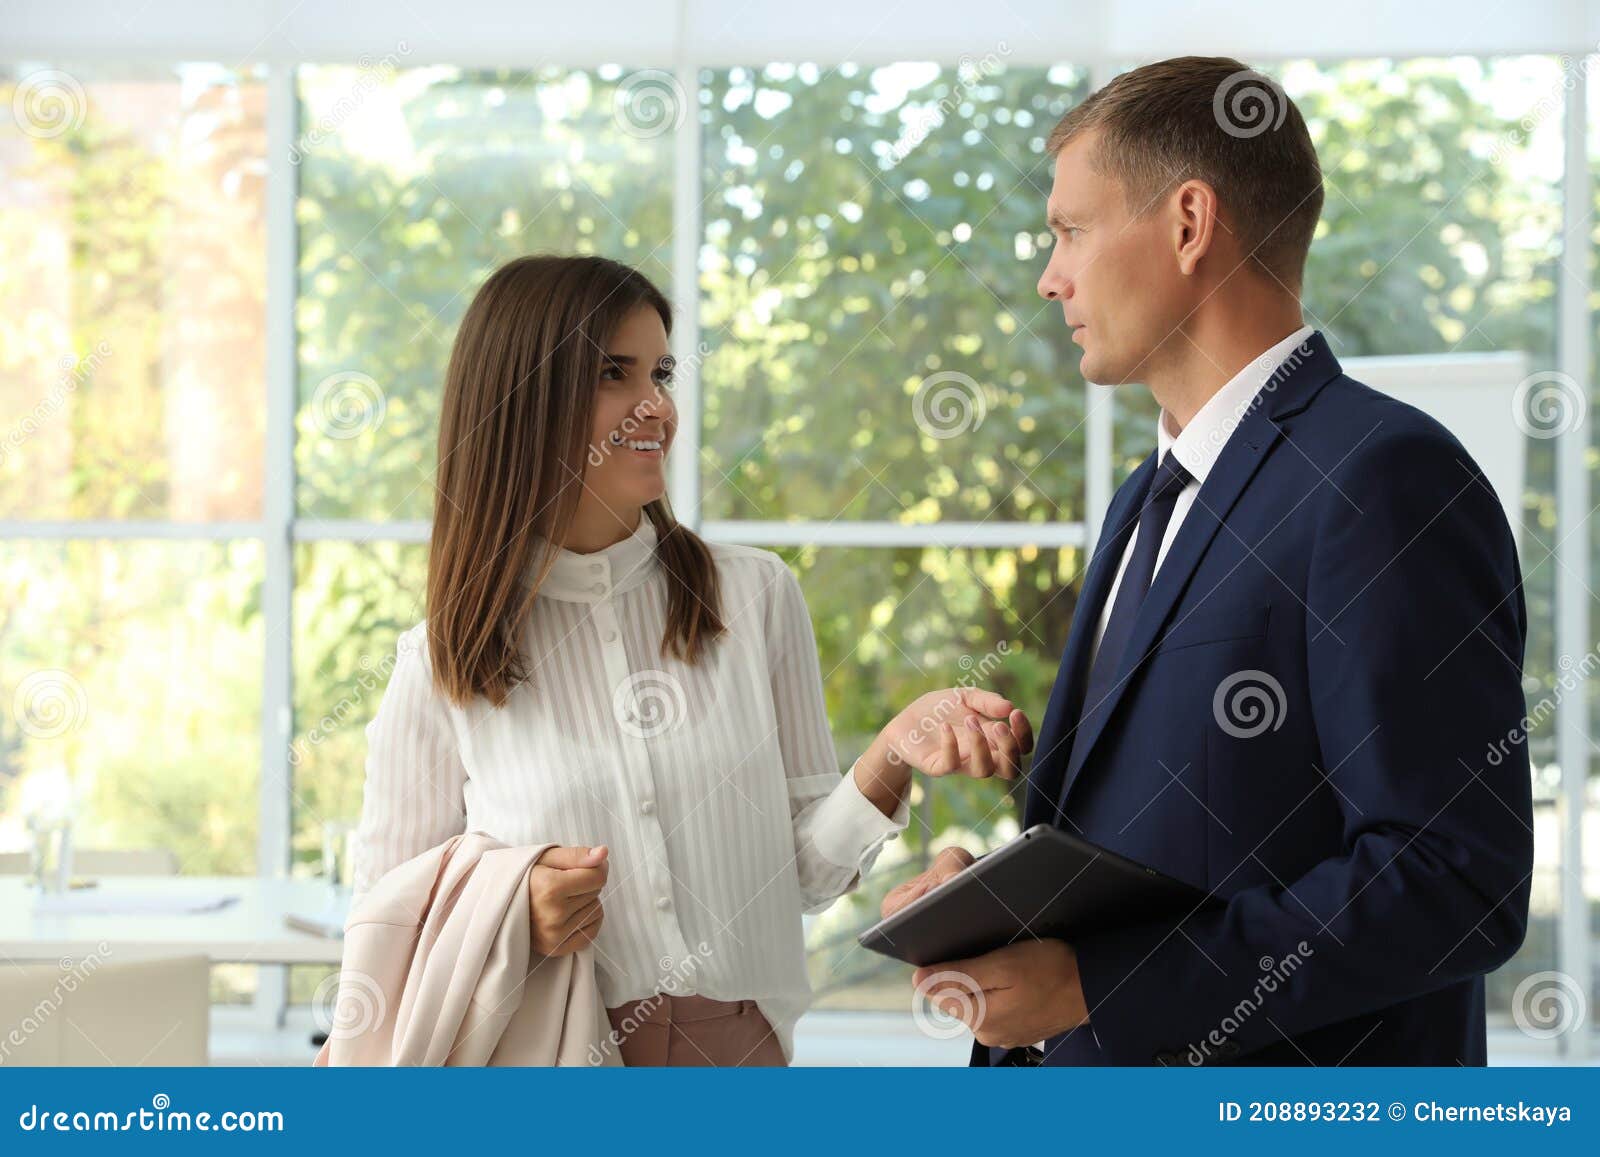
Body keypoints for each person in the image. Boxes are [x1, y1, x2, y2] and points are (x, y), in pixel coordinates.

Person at [886, 56, 1532, 1066]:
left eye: (1069, 230)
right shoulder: (1140, 503)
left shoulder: (1382, 476)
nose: (1048, 275)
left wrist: (1099, 984)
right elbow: (1181, 846)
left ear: (1189, 223)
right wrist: (1000, 911)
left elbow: (1452, 875)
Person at [351, 253, 1034, 1067]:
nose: (657, 407)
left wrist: (892, 750)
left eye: (662, 373)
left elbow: (808, 875)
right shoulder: (441, 659)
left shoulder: (754, 596)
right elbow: (387, 929)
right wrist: (510, 914)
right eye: (615, 373)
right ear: (523, 402)